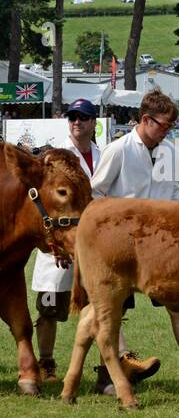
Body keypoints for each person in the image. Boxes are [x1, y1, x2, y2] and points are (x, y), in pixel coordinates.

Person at [89, 88, 179, 395]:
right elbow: (96, 194)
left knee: (177, 304)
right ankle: (114, 369)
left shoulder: (168, 150)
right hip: (121, 247)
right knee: (113, 309)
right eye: (164, 125)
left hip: (160, 247)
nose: (168, 131)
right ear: (145, 119)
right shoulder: (118, 150)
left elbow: (172, 196)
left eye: (171, 126)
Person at [32, 100, 157, 386]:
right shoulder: (52, 158)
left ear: (93, 123)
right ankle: (46, 365)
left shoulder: (104, 155)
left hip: (95, 247)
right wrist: (53, 244)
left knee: (107, 305)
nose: (77, 122)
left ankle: (109, 371)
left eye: (83, 117)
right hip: (60, 245)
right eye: (73, 117)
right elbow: (43, 206)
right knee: (50, 306)